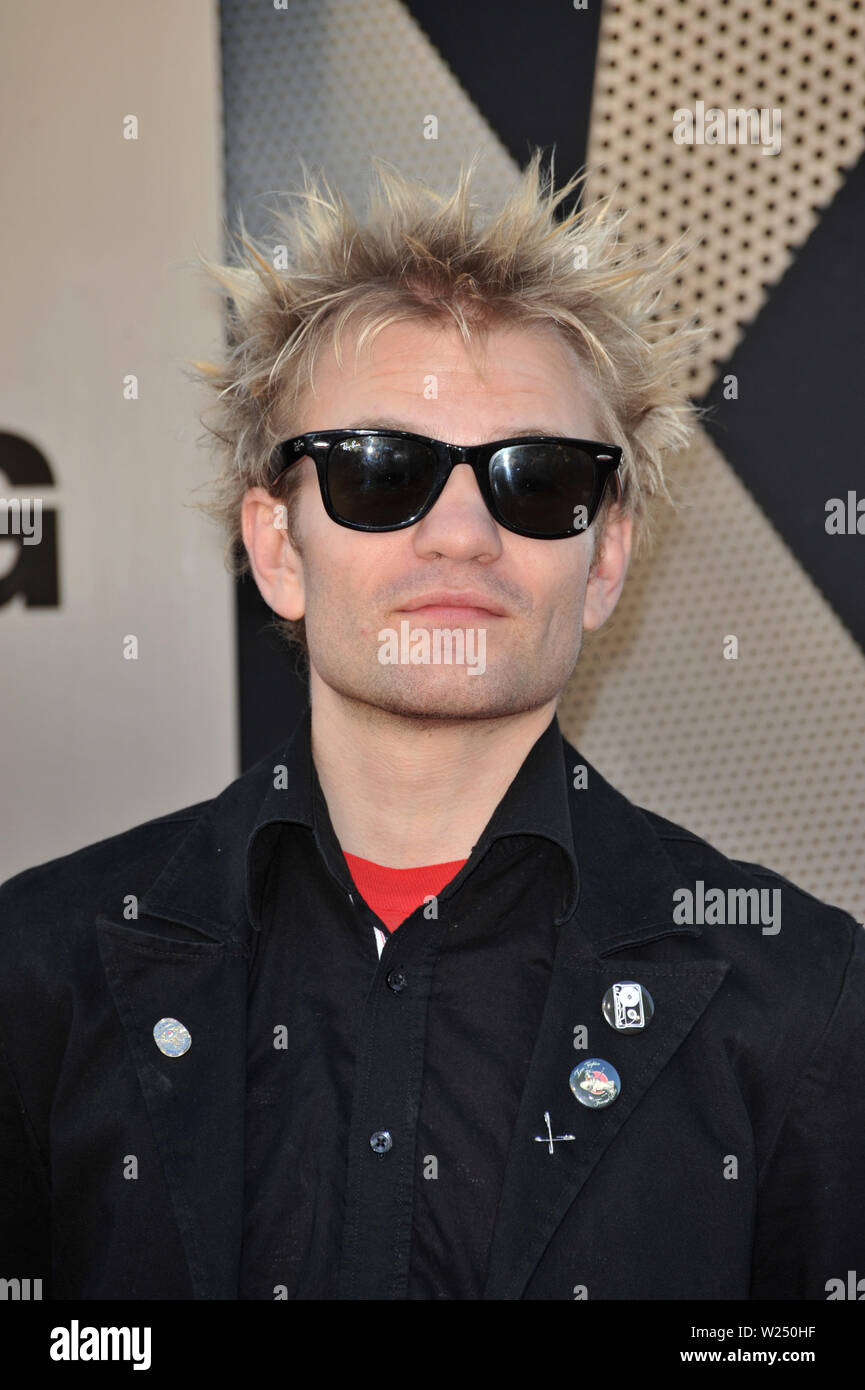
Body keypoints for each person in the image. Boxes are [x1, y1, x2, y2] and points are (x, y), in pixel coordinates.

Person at [1, 152, 862, 1301]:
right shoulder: (41, 967)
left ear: (602, 560)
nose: (460, 532)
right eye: (378, 470)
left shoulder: (804, 997)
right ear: (274, 547)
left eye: (539, 478)